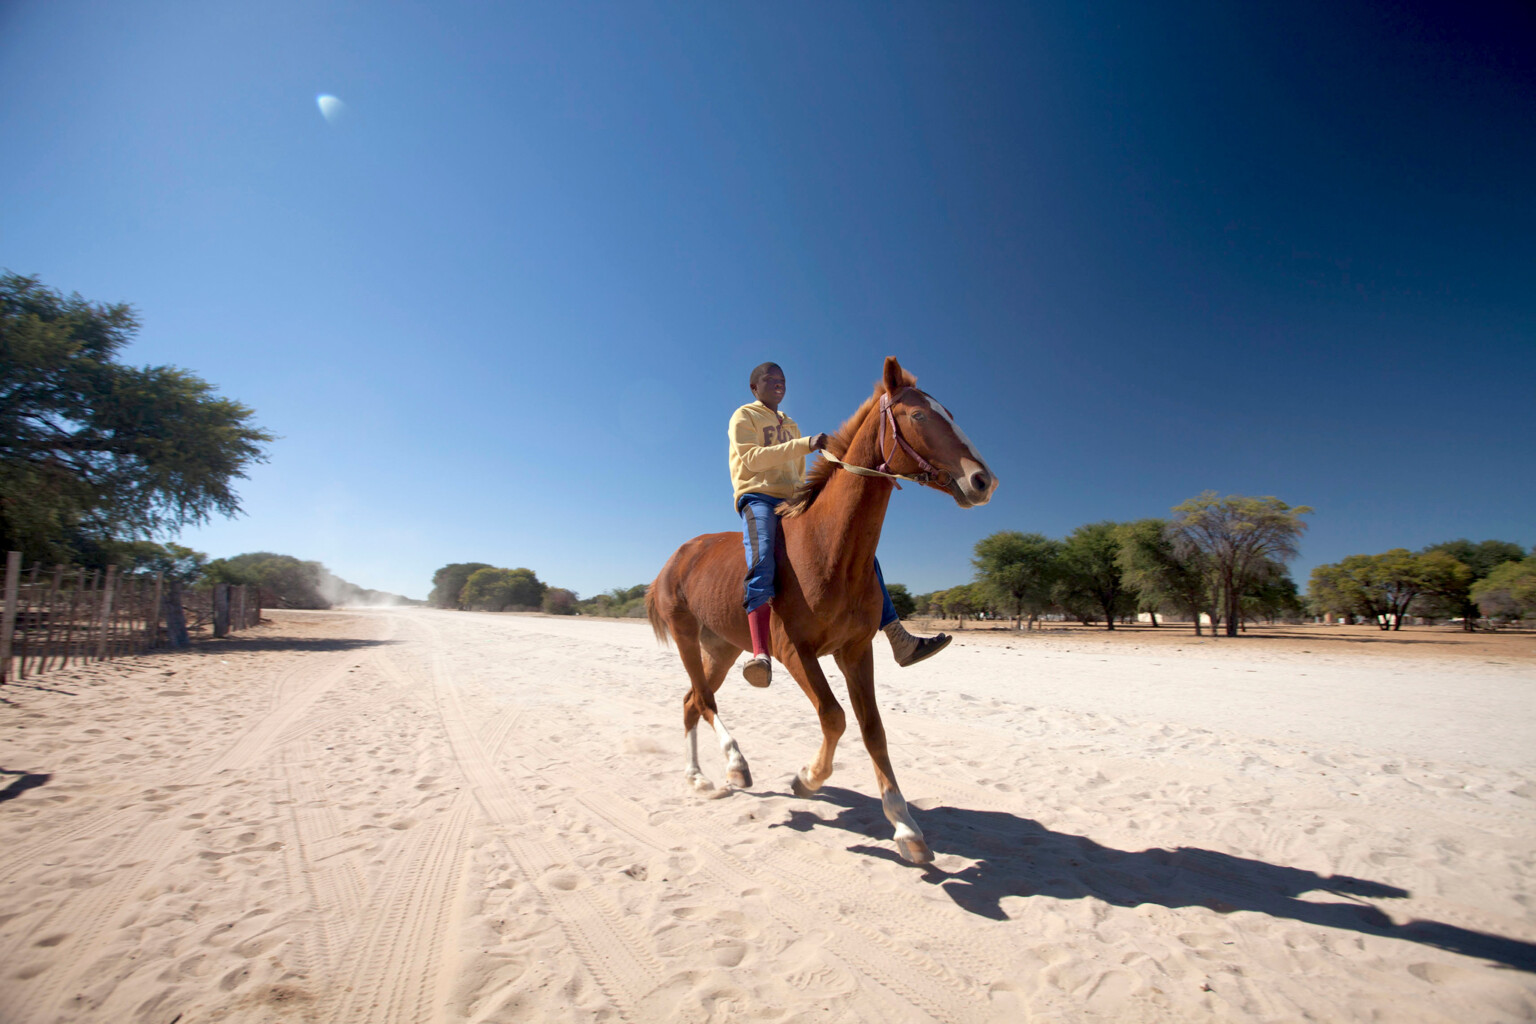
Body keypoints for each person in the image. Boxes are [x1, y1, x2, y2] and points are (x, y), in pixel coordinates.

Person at [729, 361, 951, 687]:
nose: (779, 383)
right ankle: (760, 653)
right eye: (770, 379)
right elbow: (751, 459)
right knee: (761, 557)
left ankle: (898, 638)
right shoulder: (744, 416)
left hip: (791, 500)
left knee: (856, 549)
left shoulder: (789, 423)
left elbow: (792, 469)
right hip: (759, 498)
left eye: (782, 379)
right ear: (754, 387)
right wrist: (807, 443)